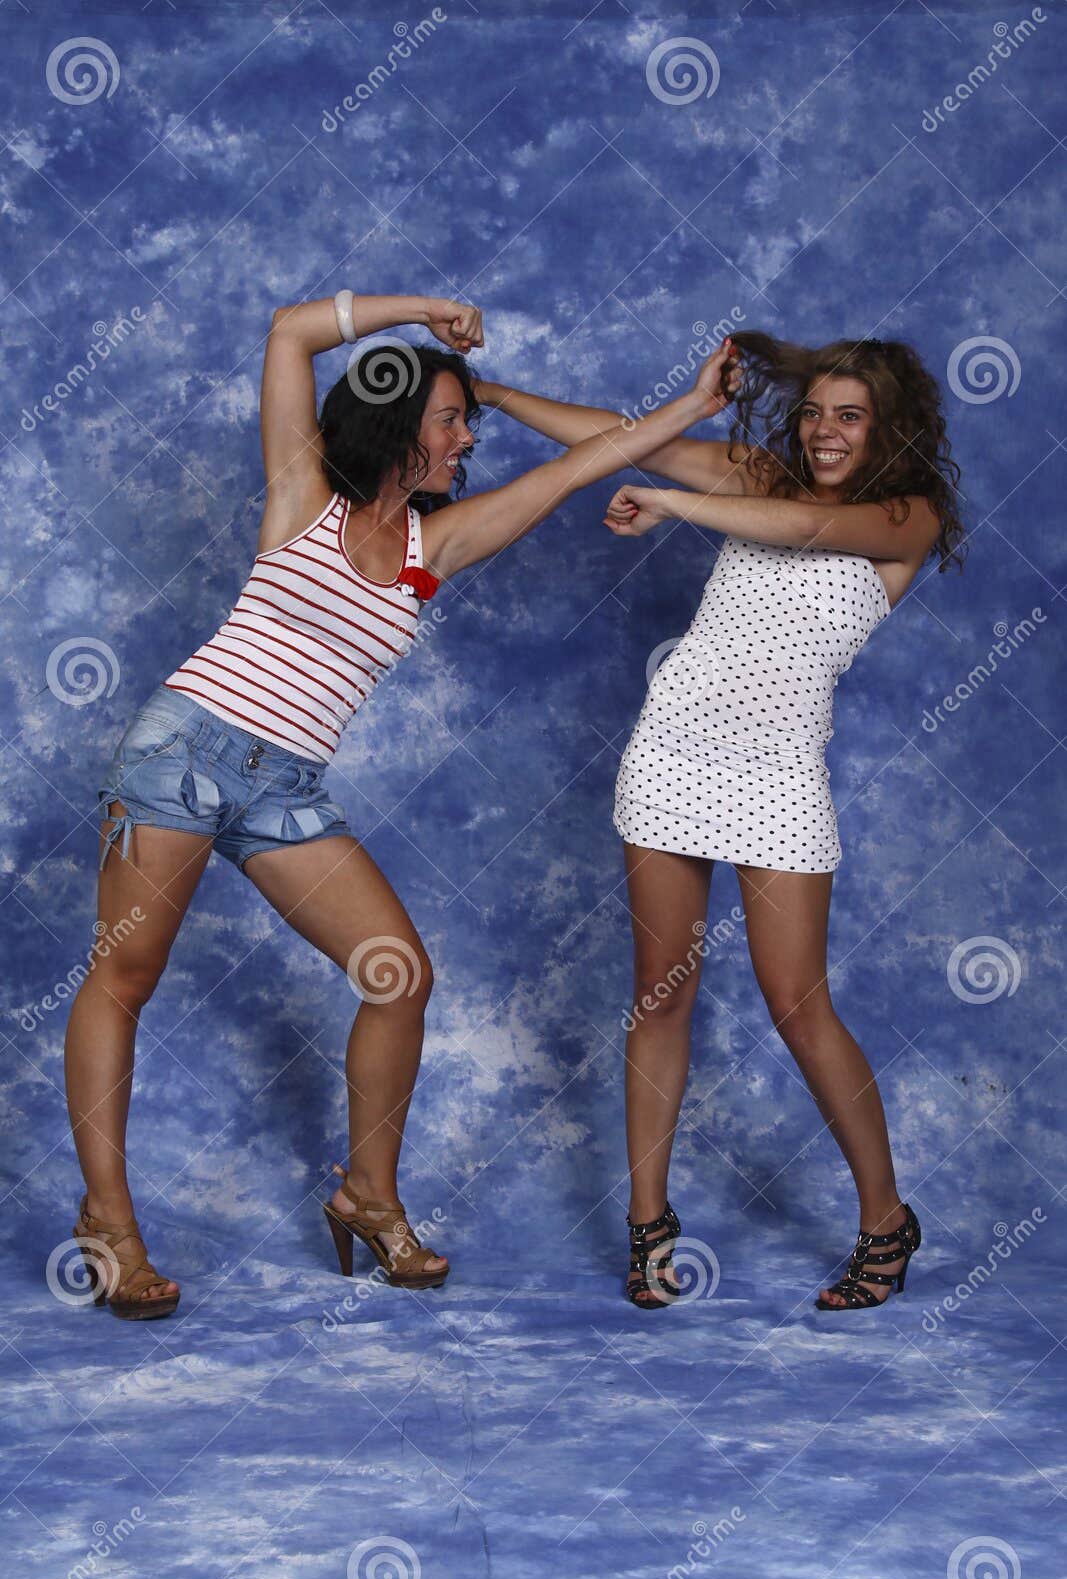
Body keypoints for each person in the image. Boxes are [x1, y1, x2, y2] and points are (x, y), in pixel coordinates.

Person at [63, 289, 739, 1319]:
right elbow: (289, 329)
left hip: (284, 788)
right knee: (126, 975)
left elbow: (578, 466)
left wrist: (689, 406)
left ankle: (367, 1193)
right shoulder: (301, 494)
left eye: (466, 421)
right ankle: (106, 1217)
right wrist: (423, 310)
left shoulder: (437, 549)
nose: (468, 438)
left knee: (398, 975)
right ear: (395, 423)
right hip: (183, 754)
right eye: (451, 420)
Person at [475, 333, 965, 1311]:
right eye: (815, 411)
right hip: (669, 760)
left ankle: (884, 1217)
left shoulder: (905, 516)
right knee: (658, 995)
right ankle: (647, 1227)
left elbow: (803, 533)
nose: (824, 430)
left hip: (777, 778)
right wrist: (484, 390)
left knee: (797, 1005)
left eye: (849, 415)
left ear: (888, 427)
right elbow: (618, 440)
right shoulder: (760, 471)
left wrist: (670, 505)